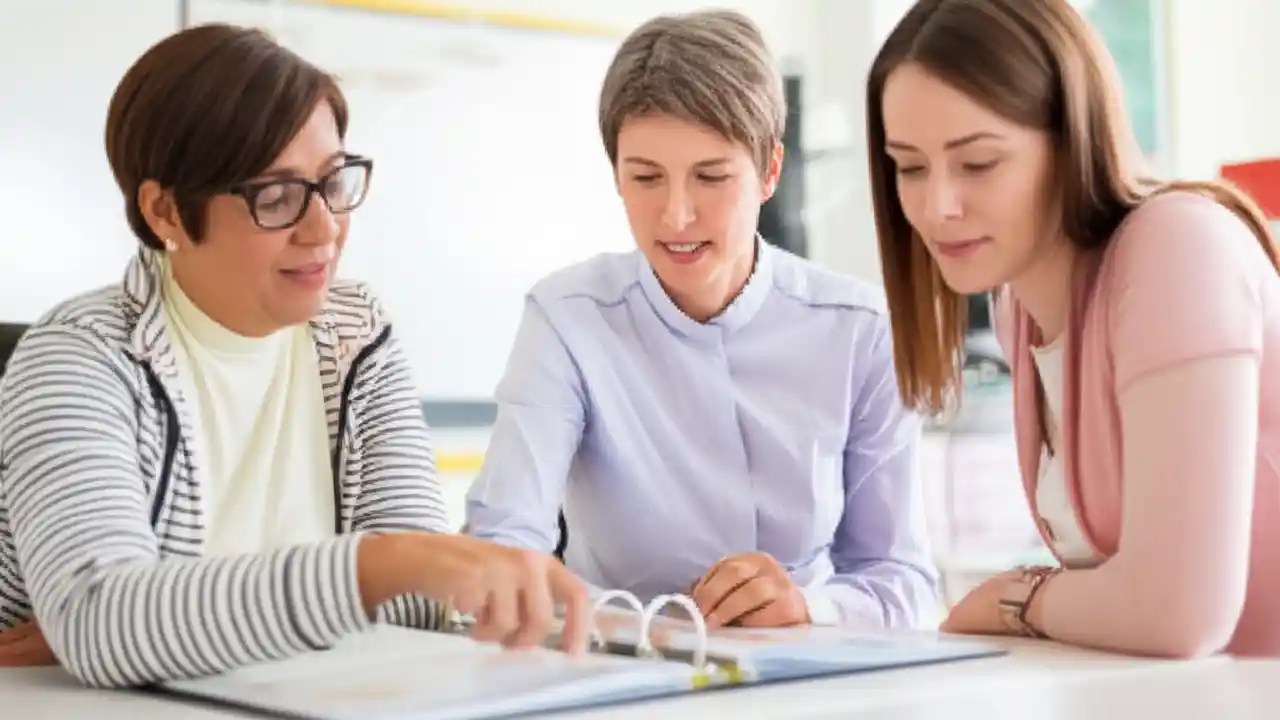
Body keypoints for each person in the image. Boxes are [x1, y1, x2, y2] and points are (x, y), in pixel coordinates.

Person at [0, 23, 587, 684]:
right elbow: (104, 623)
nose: (325, 228)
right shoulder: (78, 358)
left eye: (334, 183)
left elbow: (420, 604)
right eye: (275, 198)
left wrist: (168, 623)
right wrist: (373, 567)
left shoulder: (355, 335)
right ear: (166, 212)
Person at [465, 10, 939, 631]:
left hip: (813, 674)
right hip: (625, 669)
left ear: (770, 171)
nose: (676, 216)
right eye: (646, 178)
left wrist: (809, 606)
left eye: (710, 177)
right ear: (616, 176)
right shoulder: (568, 320)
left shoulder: (861, 329)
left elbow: (905, 583)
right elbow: (504, 543)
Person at [868, 0, 1280, 657]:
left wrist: (1017, 598)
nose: (937, 206)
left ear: (1072, 140)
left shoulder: (1177, 246)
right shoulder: (1019, 309)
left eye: (978, 164)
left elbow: (1180, 614)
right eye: (910, 168)